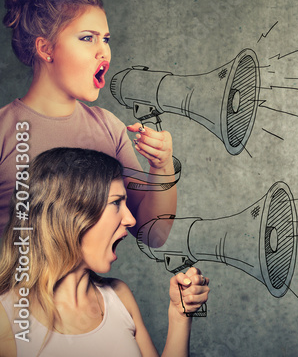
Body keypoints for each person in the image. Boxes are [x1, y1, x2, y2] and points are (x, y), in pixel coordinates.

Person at [0, 0, 177, 244]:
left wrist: (162, 166)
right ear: (45, 48)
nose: (103, 51)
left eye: (105, 39)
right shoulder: (4, 131)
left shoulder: (109, 129)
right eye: (87, 38)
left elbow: (153, 234)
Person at [0, 147, 209, 356]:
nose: (131, 220)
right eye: (116, 202)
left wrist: (180, 315)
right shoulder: (6, 317)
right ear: (69, 214)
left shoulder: (119, 296)